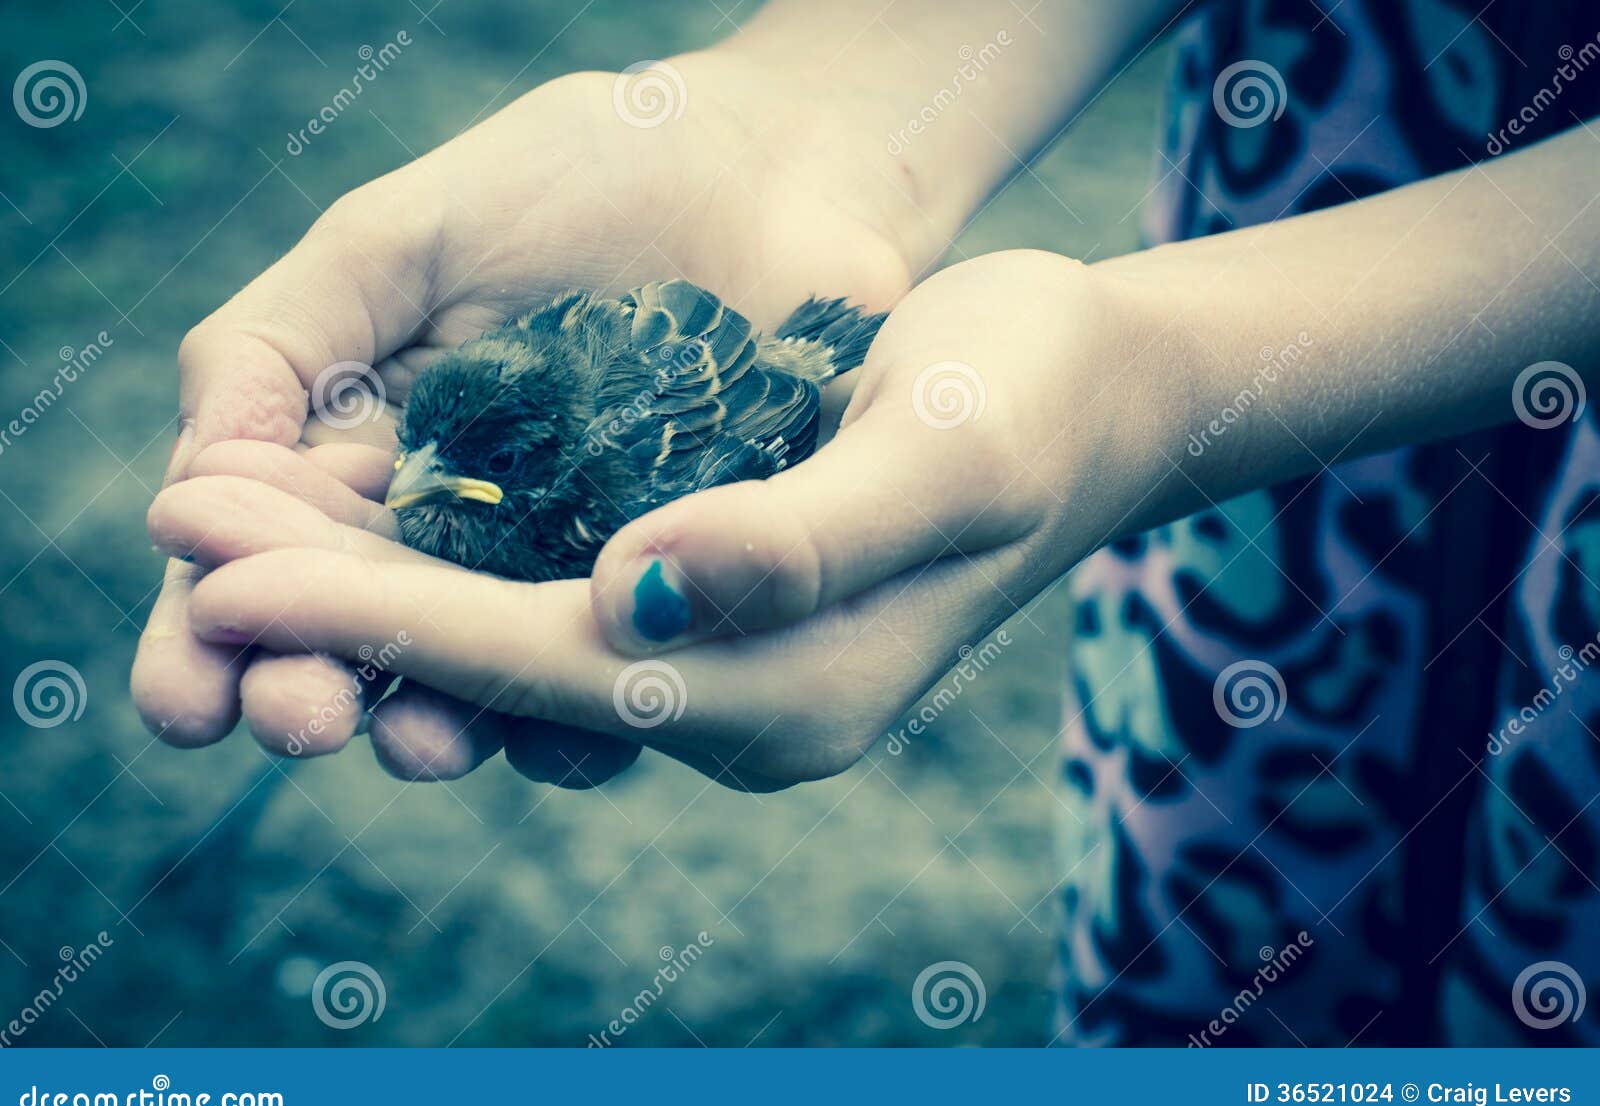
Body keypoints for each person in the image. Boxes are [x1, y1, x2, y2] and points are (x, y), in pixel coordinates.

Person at [133, 0, 1600, 1045]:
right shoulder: (495, 454)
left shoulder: (603, 458)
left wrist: (1159, 383)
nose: (420, 494)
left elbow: (697, 391)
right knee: (1242, 927)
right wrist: (794, 116)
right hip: (1326, 156)